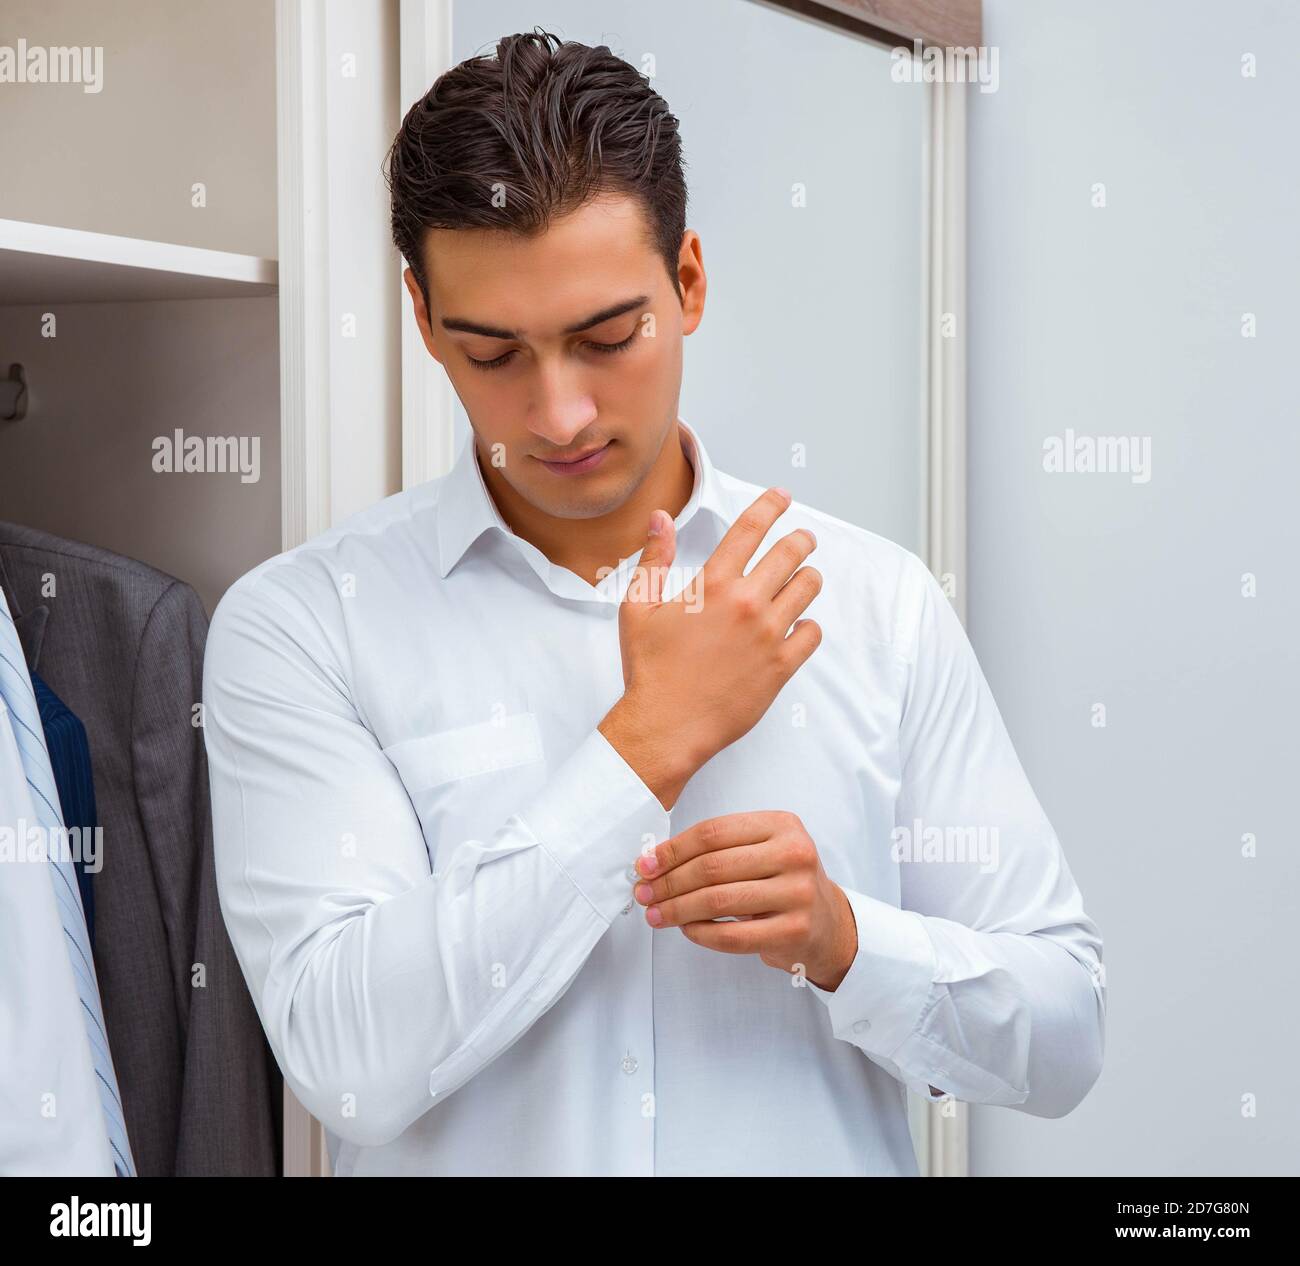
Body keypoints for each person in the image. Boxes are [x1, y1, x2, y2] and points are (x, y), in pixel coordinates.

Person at [203, 29, 1105, 1177]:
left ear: (688, 283)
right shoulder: (302, 629)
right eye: (493, 354)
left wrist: (847, 941)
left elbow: (1063, 1036)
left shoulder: (877, 605)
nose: (560, 414)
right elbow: (346, 1068)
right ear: (424, 320)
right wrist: (644, 748)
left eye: (605, 338)